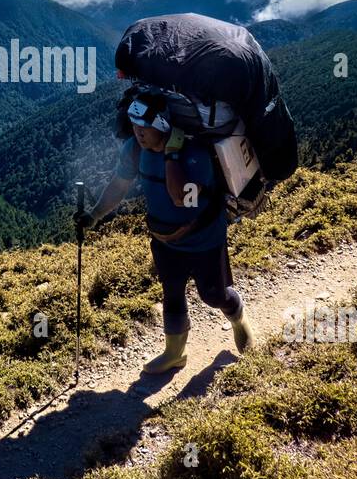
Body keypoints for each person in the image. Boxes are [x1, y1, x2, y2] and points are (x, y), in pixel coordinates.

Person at [74, 89, 255, 373]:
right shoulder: (134, 149)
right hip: (164, 242)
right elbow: (119, 186)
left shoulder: (195, 155)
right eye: (134, 126)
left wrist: (172, 155)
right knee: (171, 294)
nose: (138, 133)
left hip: (204, 241)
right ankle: (174, 353)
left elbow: (181, 198)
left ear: (161, 125)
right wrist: (95, 215)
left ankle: (238, 316)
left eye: (144, 127)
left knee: (214, 295)